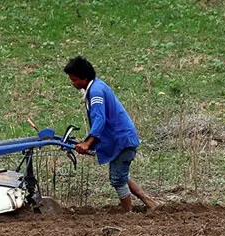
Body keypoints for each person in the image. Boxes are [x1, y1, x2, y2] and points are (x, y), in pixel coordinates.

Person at [64, 56, 160, 213]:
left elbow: (100, 119)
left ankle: (127, 213)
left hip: (121, 140)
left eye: (74, 80)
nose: (72, 83)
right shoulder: (97, 86)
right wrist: (87, 142)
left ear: (85, 77)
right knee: (122, 175)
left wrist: (87, 144)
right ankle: (150, 203)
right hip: (121, 138)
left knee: (117, 179)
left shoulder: (96, 92)